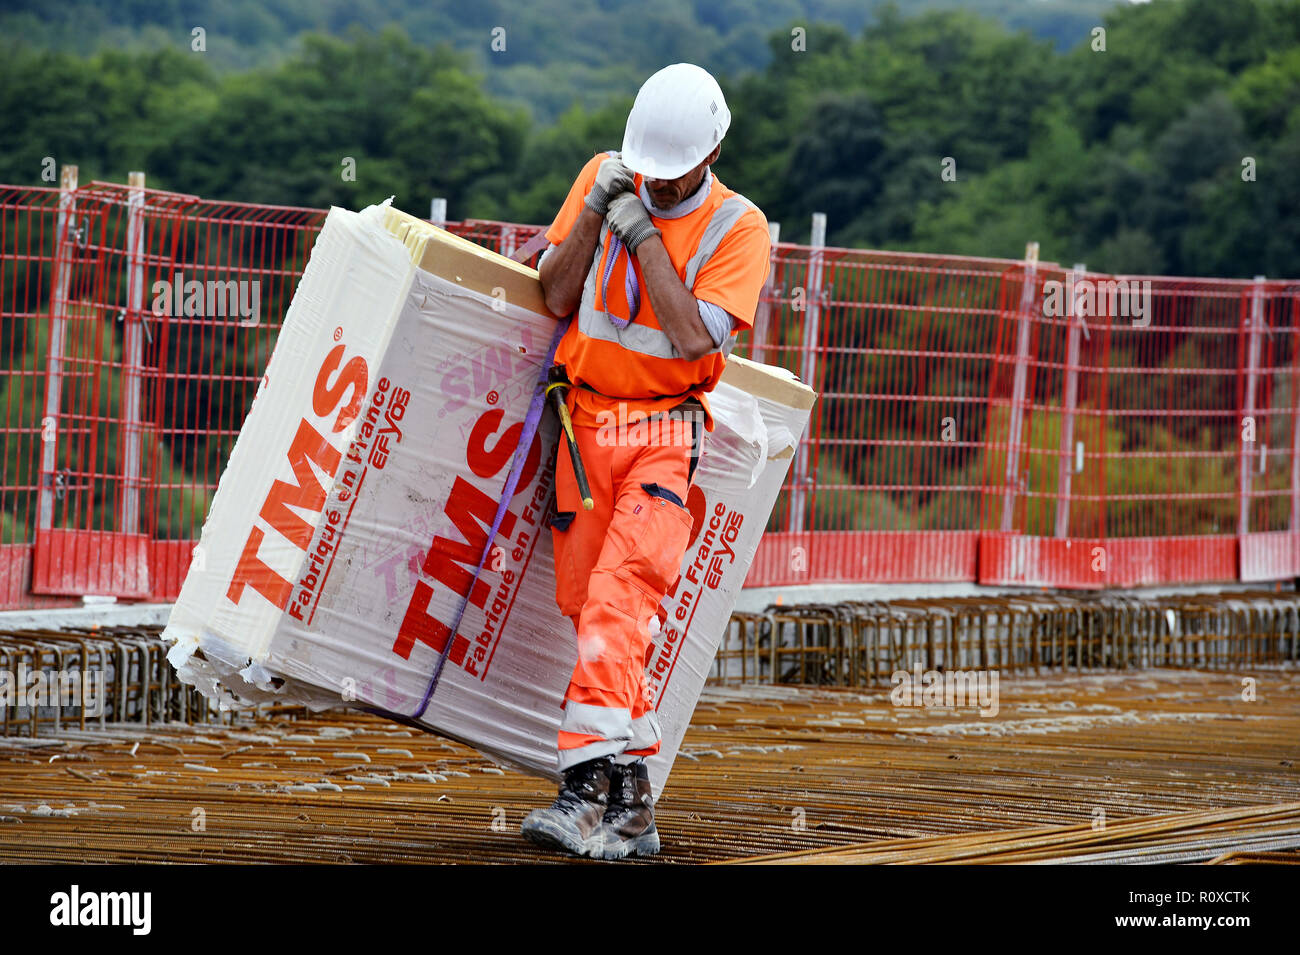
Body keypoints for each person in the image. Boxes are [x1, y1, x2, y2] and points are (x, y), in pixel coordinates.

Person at [520, 62, 771, 860]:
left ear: (712, 151)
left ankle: (583, 789)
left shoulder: (740, 226)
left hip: (663, 433)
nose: (657, 188)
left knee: (619, 604)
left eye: (672, 178)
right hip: (585, 421)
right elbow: (557, 295)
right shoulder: (605, 176)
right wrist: (598, 209)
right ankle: (634, 803)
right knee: (586, 609)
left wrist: (639, 232)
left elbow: (695, 336)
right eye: (647, 177)